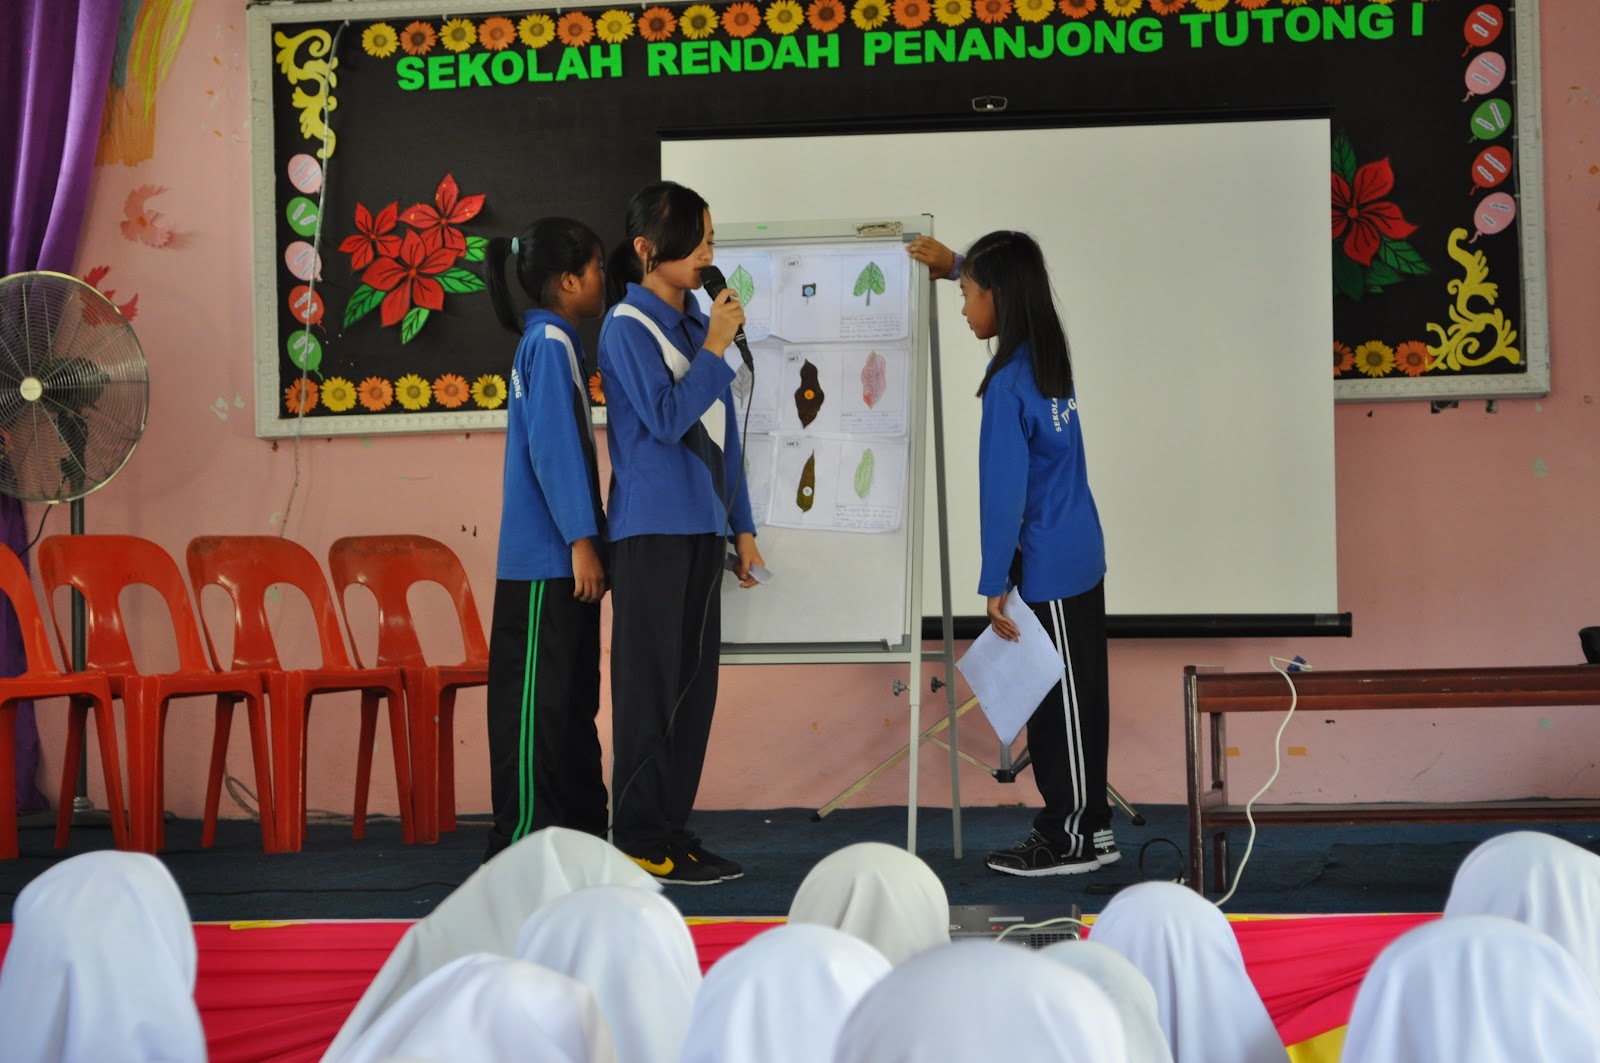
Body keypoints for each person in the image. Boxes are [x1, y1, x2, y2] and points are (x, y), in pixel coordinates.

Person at [909, 232, 1115, 876]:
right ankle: (1075, 828)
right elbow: (1018, 272)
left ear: (998, 298)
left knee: (1063, 706)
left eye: (969, 296)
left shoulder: (1007, 384)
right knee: (1066, 700)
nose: (965, 308)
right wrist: (958, 267)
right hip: (1074, 551)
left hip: (1047, 563)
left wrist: (993, 580)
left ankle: (1078, 835)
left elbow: (1003, 493)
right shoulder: (1047, 358)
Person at [598, 180, 764, 885]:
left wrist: (743, 526)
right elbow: (667, 420)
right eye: (695, 241)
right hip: (650, 532)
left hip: (703, 529)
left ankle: (673, 829)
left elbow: (722, 433)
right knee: (649, 687)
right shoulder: (625, 328)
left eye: (711, 241)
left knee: (694, 690)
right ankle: (637, 836)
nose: (707, 255)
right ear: (646, 249)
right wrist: (717, 346)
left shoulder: (701, 328)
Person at [480, 217, 610, 862]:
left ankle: (578, 835)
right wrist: (582, 540)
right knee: (533, 706)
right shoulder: (551, 345)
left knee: (567, 700)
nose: (603, 279)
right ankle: (523, 842)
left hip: (557, 561)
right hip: (545, 563)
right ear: (567, 281)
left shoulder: (552, 342)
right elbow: (554, 450)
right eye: (595, 269)